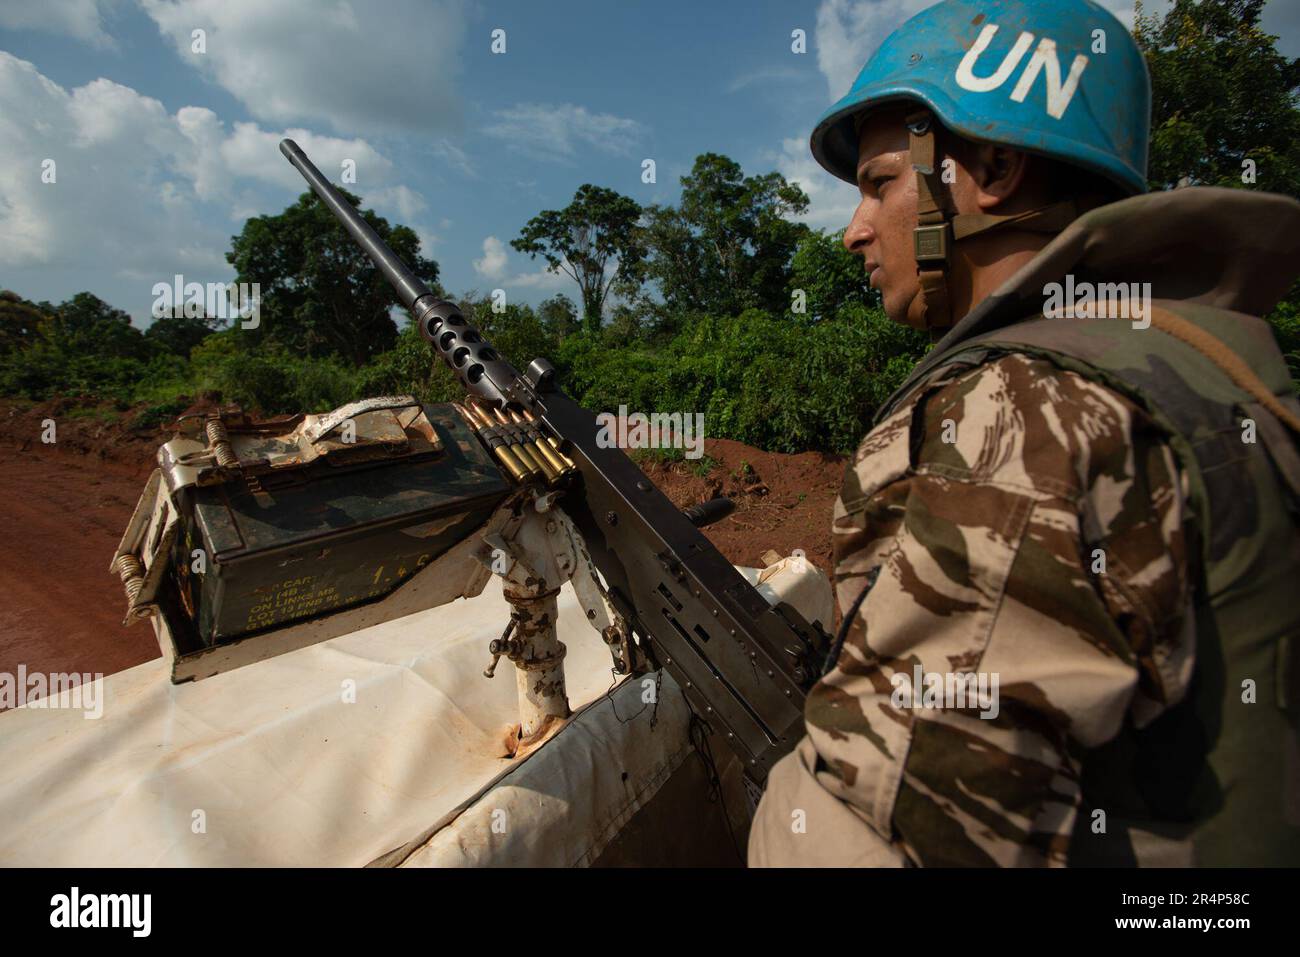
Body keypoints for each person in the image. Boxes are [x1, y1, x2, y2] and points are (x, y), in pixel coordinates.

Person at [749, 0, 1300, 866]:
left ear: (993, 169)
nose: (855, 230)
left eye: (880, 183)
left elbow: (893, 835)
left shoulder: (1026, 408)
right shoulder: (1205, 364)